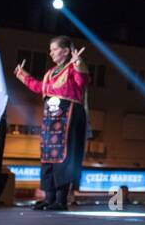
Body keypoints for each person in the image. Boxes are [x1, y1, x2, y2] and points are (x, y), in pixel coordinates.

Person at [14, 36, 90, 211]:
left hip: (68, 116)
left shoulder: (72, 68)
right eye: (51, 49)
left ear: (65, 51)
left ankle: (61, 200)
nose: (51, 53)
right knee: (48, 157)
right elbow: (40, 87)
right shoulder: (50, 72)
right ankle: (49, 198)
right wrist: (23, 76)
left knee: (63, 157)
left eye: (54, 49)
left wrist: (79, 64)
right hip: (51, 120)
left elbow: (82, 82)